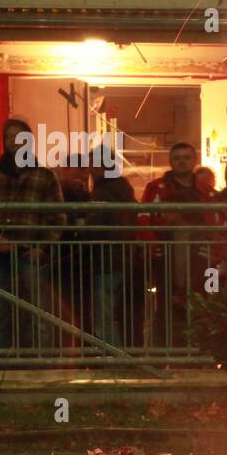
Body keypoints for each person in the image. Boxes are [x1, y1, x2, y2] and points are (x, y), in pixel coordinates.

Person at [0, 118, 65, 350]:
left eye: (18, 136)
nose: (13, 141)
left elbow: (57, 217)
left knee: (39, 311)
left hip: (31, 254)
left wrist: (41, 248)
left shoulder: (45, 176)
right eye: (8, 136)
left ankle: (41, 363)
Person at [139, 142, 208, 346]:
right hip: (165, 259)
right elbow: (143, 220)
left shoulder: (206, 191)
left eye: (186, 157)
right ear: (170, 161)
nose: (182, 162)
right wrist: (153, 249)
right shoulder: (155, 189)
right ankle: (165, 354)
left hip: (201, 262)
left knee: (202, 304)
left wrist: (215, 255)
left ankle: (199, 353)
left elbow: (215, 224)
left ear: (194, 161)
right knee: (165, 308)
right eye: (177, 158)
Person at [86, 145, 138, 346]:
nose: (90, 169)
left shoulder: (102, 194)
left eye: (94, 165)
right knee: (118, 314)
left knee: (103, 318)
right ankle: (124, 356)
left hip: (105, 261)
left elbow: (95, 227)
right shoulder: (124, 190)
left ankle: (112, 360)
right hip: (123, 258)